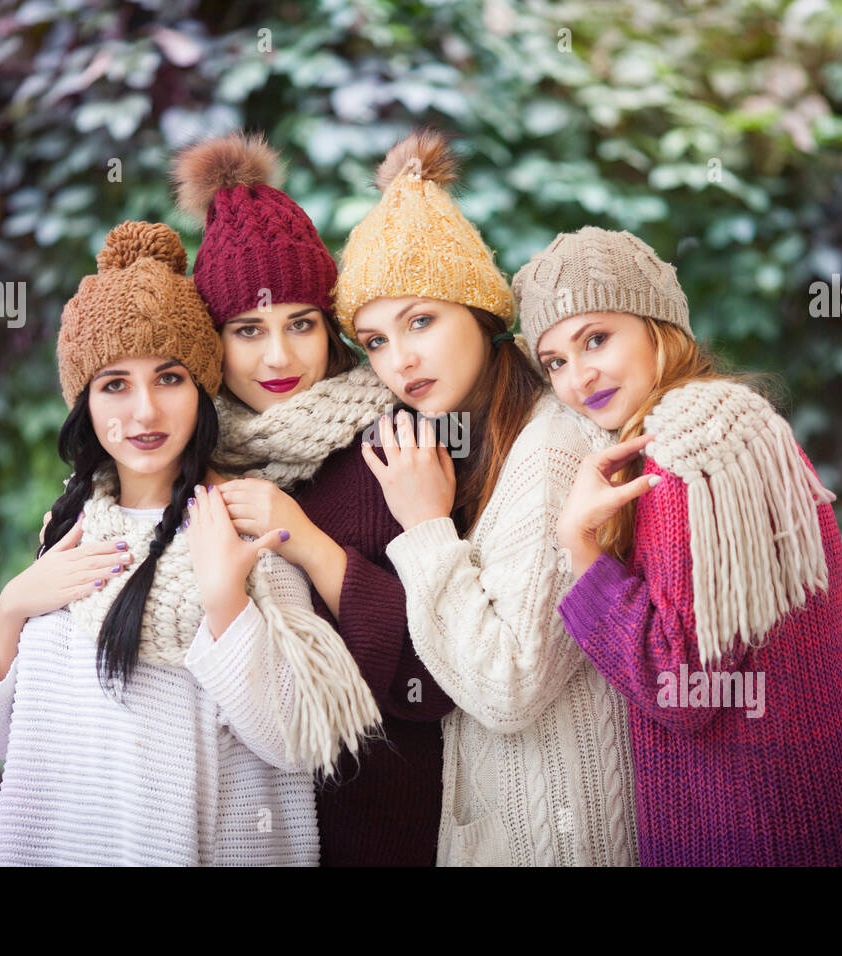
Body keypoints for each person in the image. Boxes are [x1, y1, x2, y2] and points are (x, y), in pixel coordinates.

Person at [0, 221, 377, 866]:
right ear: (84, 402)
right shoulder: (69, 529)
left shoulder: (241, 526)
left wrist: (225, 602)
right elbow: (2, 737)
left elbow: (298, 741)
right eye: (114, 385)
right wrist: (12, 609)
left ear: (201, 388)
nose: (145, 414)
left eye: (169, 378)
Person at [516, 225, 842, 865]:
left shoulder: (689, 445)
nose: (578, 376)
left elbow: (681, 685)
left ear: (658, 325)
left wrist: (580, 549)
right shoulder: (729, 423)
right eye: (554, 361)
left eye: (597, 339)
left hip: (753, 835)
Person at [333, 130, 637, 866]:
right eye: (373, 341)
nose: (399, 360)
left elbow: (509, 686)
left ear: (481, 314)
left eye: (421, 321)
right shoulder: (472, 445)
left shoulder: (552, 448)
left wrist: (426, 528)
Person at [170, 131, 455, 865]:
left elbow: (440, 674)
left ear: (330, 328)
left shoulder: (393, 447)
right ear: (213, 340)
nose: (278, 356)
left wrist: (307, 541)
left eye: (301, 324)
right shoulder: (192, 462)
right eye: (247, 330)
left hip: (384, 827)